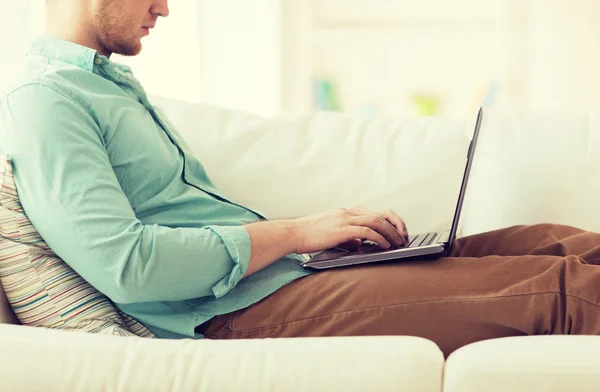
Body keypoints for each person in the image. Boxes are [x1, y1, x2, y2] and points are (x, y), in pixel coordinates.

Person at [1, 0, 599, 358]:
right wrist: (297, 233)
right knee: (560, 291)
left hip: (279, 277)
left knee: (551, 243)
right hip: (235, 311)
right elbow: (128, 266)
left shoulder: (106, 84)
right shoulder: (46, 101)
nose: (164, 7)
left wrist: (319, 241)